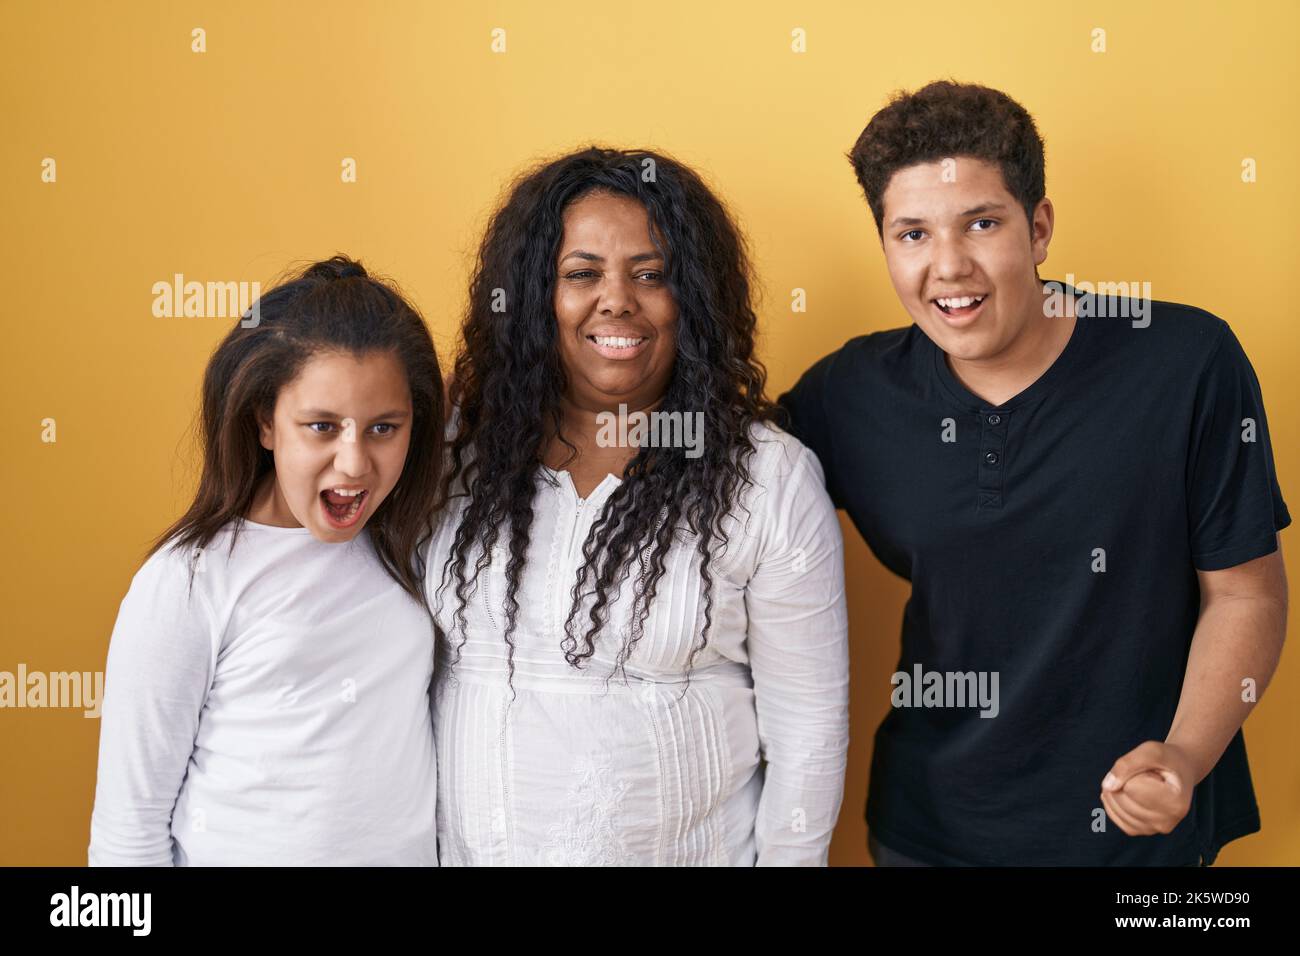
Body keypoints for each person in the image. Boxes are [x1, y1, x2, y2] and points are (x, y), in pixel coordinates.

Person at [780, 81, 1289, 866]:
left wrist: (1184, 755)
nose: (949, 267)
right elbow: (716, 496)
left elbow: (1245, 591)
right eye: (911, 234)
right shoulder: (847, 395)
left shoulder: (1185, 361)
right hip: (928, 833)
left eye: (982, 223)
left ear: (1039, 226)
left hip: (1136, 842)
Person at [425, 146, 850, 866]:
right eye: (581, 274)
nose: (617, 299)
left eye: (652, 275)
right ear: (533, 297)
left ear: (697, 300)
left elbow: (808, 734)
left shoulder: (767, 478)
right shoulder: (449, 453)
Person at [89, 255, 445, 865]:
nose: (355, 463)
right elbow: (129, 828)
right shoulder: (190, 581)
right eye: (322, 426)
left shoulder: (415, 548)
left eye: (384, 427)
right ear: (265, 423)